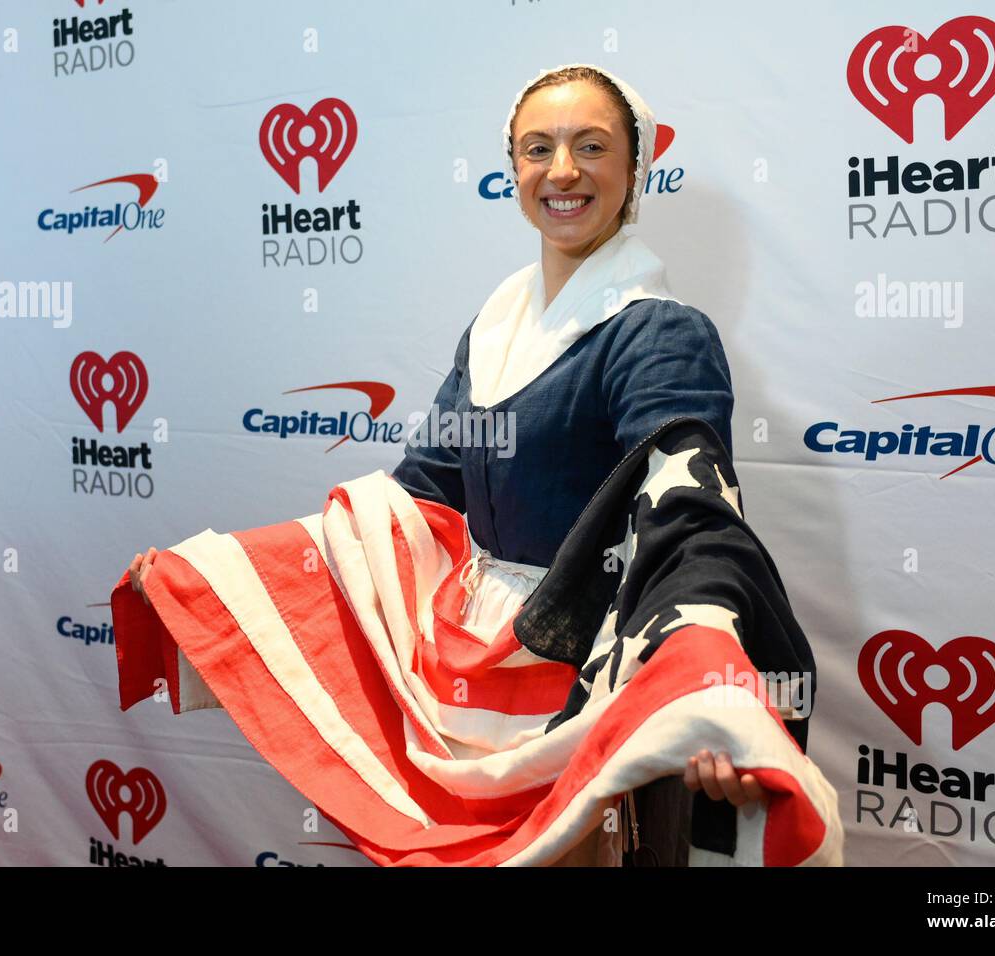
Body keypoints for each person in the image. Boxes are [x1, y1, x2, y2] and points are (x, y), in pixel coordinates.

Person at [129, 63, 770, 864]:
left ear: (635, 169)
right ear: (513, 170)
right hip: (469, 674)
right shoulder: (495, 328)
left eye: (591, 146)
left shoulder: (661, 334)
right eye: (538, 148)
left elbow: (692, 520)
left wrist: (712, 681)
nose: (562, 171)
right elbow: (415, 498)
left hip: (593, 674)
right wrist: (217, 574)